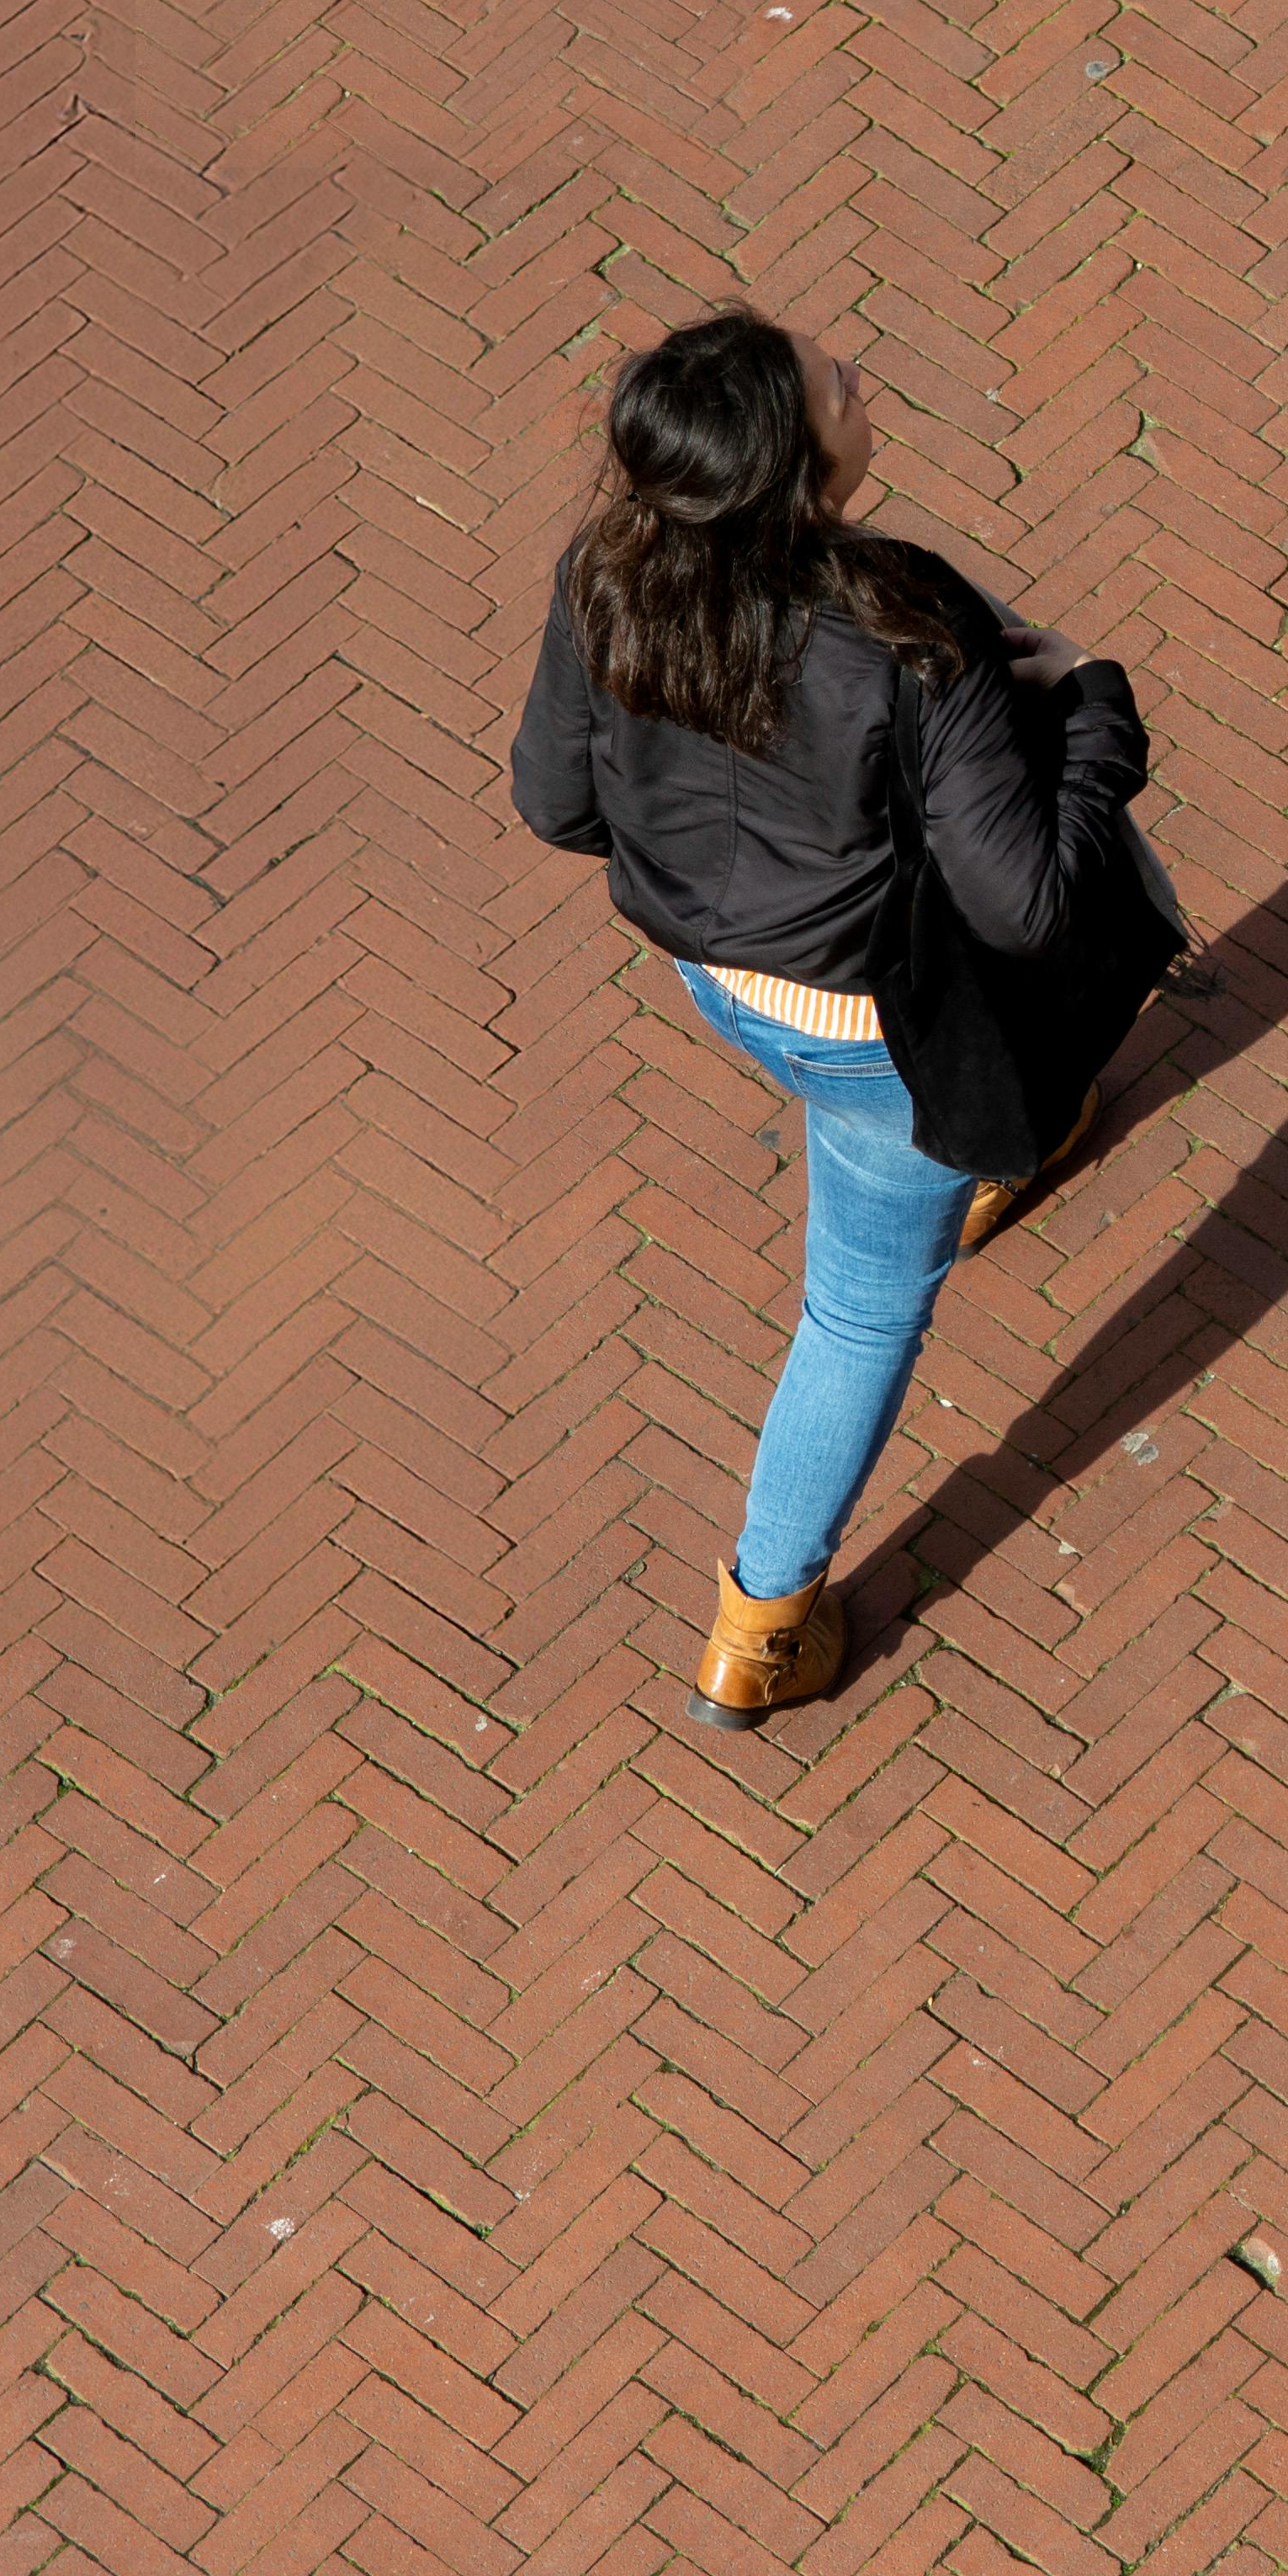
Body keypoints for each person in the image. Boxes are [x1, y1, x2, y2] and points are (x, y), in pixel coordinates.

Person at [511, 309, 1157, 1728]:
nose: (861, 377)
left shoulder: (605, 578)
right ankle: (761, 1620)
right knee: (858, 1314)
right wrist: (1094, 710)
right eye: (837, 387)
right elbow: (1029, 904)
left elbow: (557, 805)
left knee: (918, 1152)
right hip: (883, 1028)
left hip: (721, 985)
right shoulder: (905, 627)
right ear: (795, 473)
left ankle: (1004, 1154)